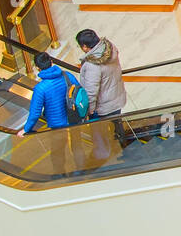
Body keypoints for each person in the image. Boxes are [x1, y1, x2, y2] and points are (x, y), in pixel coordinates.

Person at [76, 29, 127, 159]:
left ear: (85, 47)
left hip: (103, 104)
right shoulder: (110, 48)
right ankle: (125, 150)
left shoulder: (93, 65)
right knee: (117, 123)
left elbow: (91, 92)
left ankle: (104, 156)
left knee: (100, 131)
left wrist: (90, 110)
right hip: (116, 96)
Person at [23, 53, 71, 134]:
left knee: (58, 146)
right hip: (75, 120)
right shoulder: (67, 75)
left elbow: (35, 113)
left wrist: (26, 130)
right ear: (51, 62)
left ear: (37, 68)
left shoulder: (40, 88)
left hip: (56, 126)